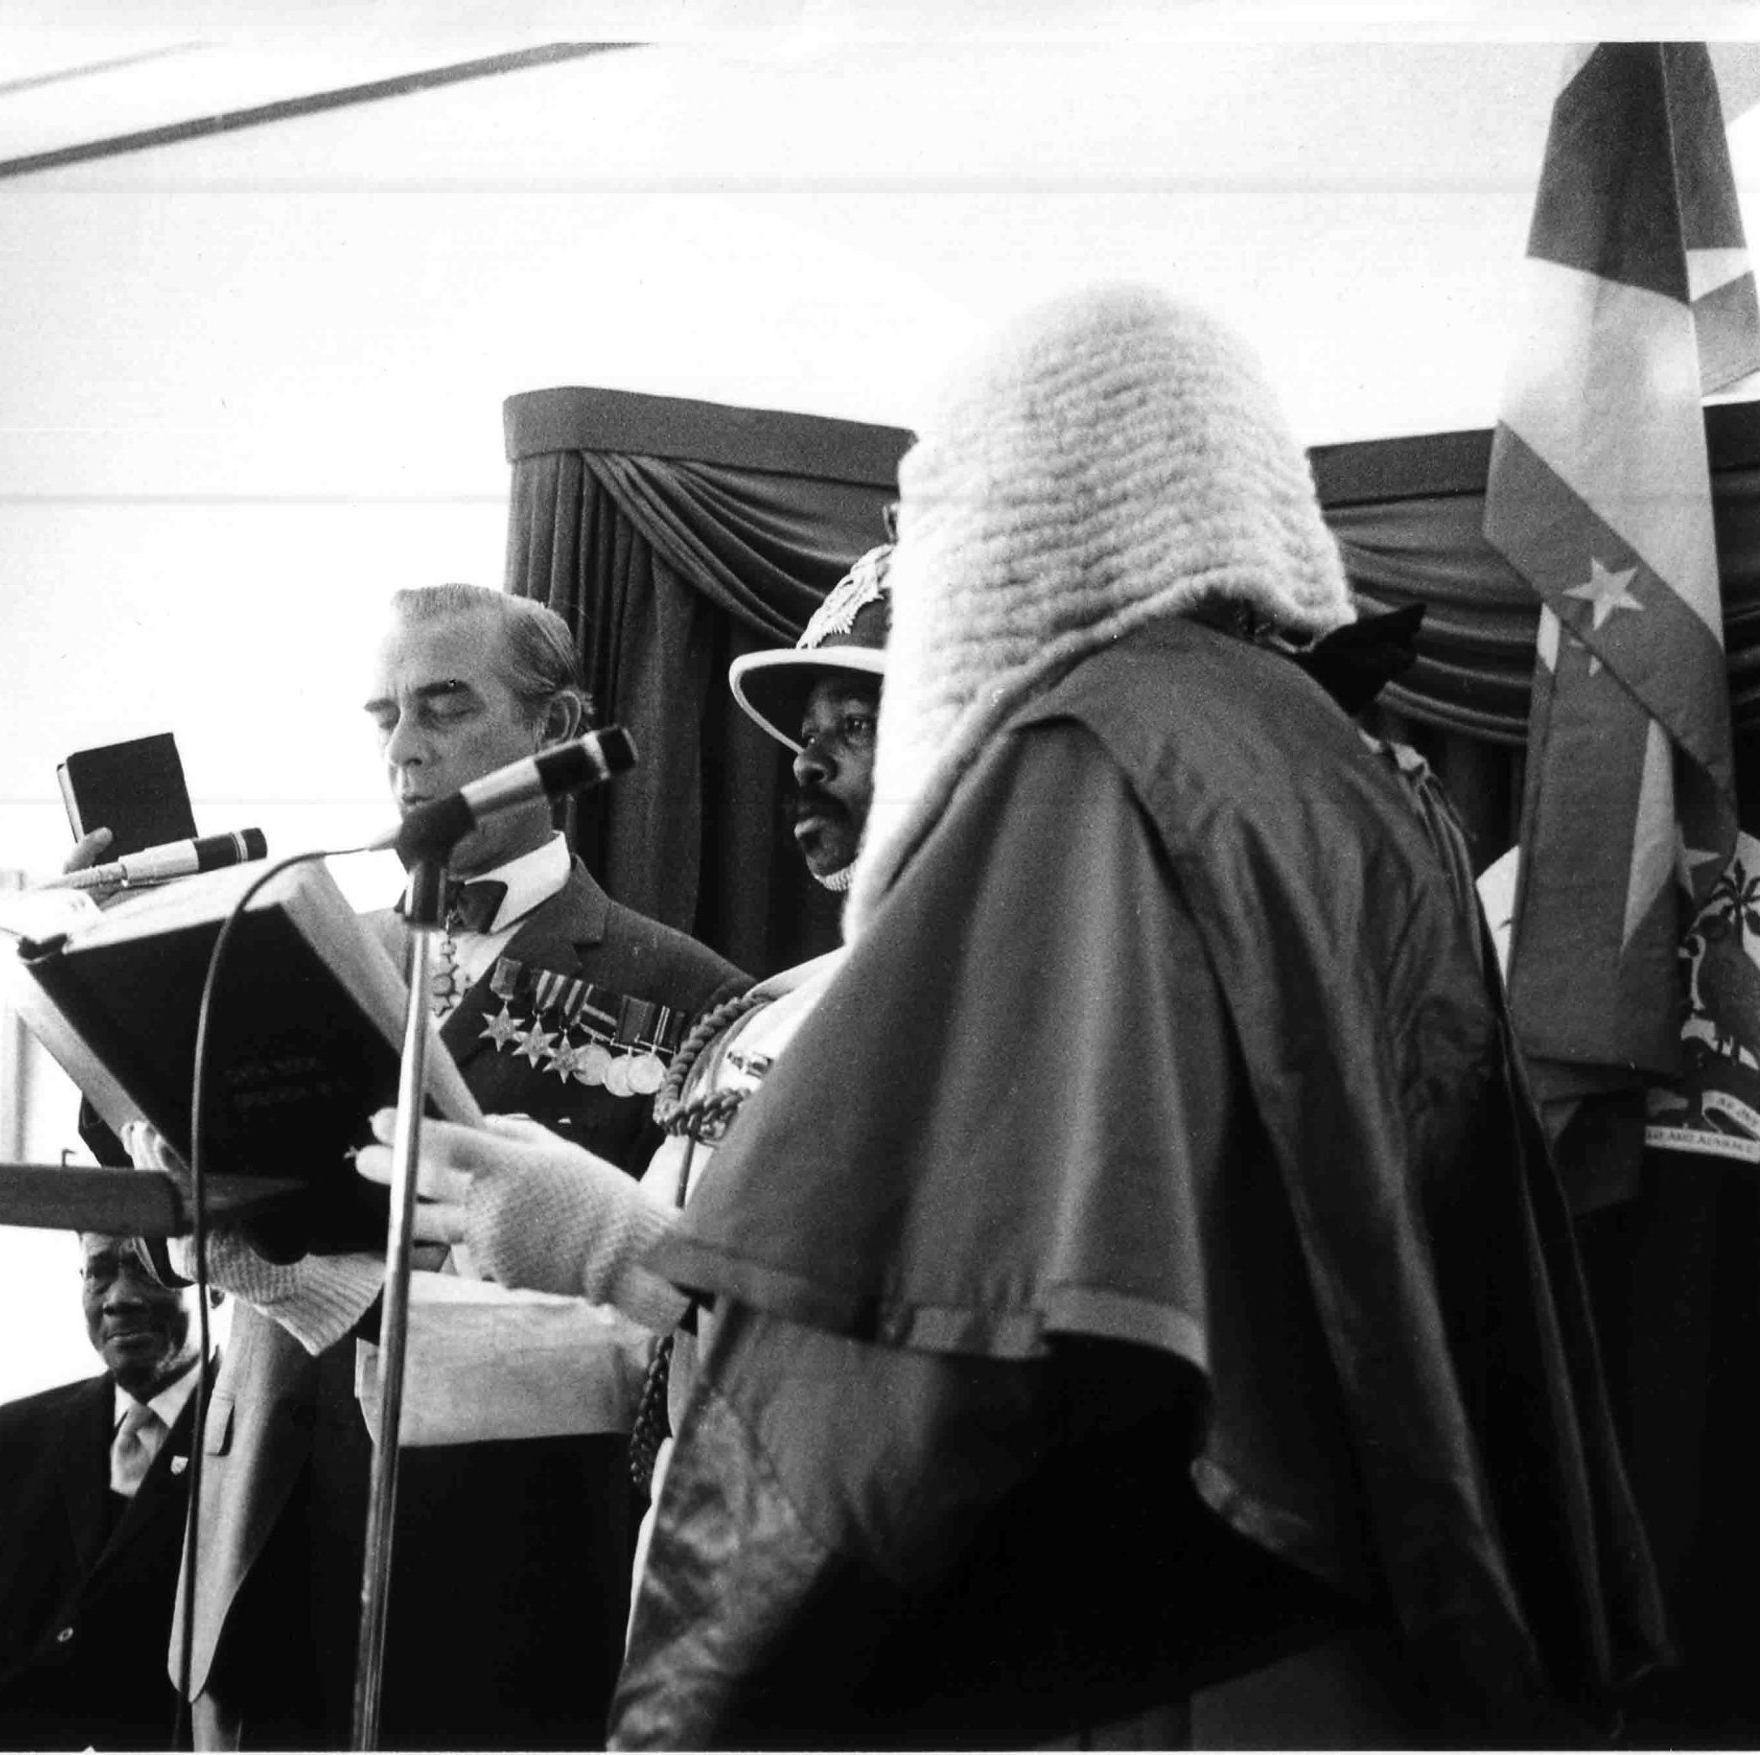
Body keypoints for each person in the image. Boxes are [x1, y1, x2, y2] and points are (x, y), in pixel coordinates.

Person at [599, 284, 1672, 1746]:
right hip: (1346, 1639)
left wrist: (678, 1709)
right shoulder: (1368, 776)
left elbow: (893, 1369)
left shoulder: (1080, 763)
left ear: (998, 516)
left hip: (1132, 1658)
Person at [75, 584, 746, 1749]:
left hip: (500, 1556)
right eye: (383, 713)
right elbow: (177, 1179)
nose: (404, 748)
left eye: (444, 705)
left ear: (556, 726)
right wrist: (106, 968)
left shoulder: (686, 992)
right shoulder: (292, 944)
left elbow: (671, 1332)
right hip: (265, 1525)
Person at [352, 540, 894, 1537]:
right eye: (386, 719)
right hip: (320, 1519)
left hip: (568, 1541)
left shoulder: (707, 996)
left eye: (855, 725)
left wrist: (627, 1251)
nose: (806, 763)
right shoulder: (768, 1013)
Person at [0, 1231, 208, 1750]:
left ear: (218, 1283)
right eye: (98, 1273)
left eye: (145, 1268)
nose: (119, 1298)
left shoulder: (261, 1443)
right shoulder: (6, 1442)